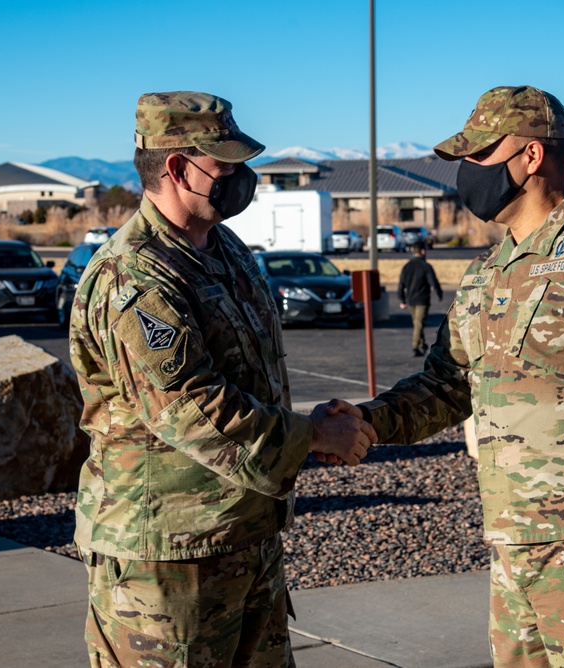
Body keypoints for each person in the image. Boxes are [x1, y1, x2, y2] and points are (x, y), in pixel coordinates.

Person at [345, 86, 564, 667]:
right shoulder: (487, 272)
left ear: (531, 157)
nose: (467, 172)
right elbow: (446, 384)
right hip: (513, 552)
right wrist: (363, 423)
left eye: (480, 156)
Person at [70, 91, 375, 668]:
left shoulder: (224, 250)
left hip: (242, 535)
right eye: (225, 165)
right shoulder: (134, 276)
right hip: (167, 559)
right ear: (178, 168)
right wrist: (310, 436)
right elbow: (191, 408)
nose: (241, 177)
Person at [398, 240, 443, 356]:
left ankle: (422, 345)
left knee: (417, 323)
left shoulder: (406, 267)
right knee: (418, 324)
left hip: (411, 299)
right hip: (422, 300)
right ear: (423, 251)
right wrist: (439, 293)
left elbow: (401, 284)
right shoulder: (426, 266)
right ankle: (415, 347)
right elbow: (433, 282)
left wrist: (402, 299)